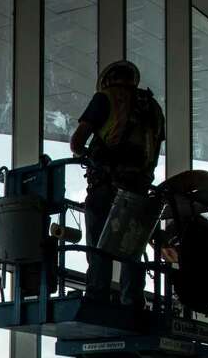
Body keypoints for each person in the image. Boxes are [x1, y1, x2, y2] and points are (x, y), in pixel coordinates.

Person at [69, 59, 166, 307]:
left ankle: (97, 295)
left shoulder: (106, 98)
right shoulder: (153, 107)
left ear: (108, 80)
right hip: (140, 187)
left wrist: (89, 157)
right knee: (131, 246)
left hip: (107, 185)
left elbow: (77, 143)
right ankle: (132, 299)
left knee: (99, 243)